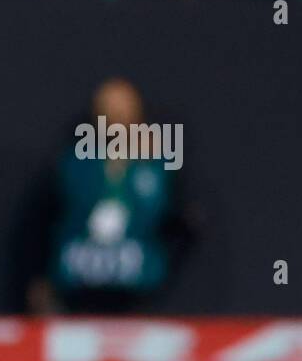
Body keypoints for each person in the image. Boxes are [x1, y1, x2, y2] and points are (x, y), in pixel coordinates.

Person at [23, 77, 195, 315]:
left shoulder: (159, 167)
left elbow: (182, 221)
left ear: (138, 113)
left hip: (138, 296)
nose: (116, 117)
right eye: (108, 108)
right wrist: (39, 279)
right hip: (76, 294)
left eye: (122, 109)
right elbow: (41, 223)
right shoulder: (72, 165)